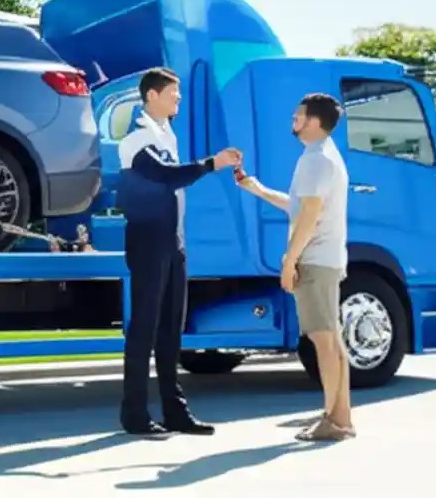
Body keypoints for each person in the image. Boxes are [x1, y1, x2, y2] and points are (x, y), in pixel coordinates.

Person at [116, 66, 241, 436]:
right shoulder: (136, 139)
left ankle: (175, 412)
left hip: (173, 242)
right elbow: (166, 176)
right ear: (151, 95)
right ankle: (135, 413)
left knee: (171, 330)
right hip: (148, 242)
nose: (178, 99)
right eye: (173, 93)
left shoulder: (166, 134)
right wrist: (212, 164)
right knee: (144, 328)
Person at [235, 92, 354, 441]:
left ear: (314, 122)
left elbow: (310, 215)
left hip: (315, 260)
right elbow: (300, 206)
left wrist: (290, 260)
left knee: (324, 341)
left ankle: (334, 420)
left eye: (298, 116)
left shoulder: (316, 160)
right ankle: (341, 418)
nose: (293, 120)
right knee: (331, 340)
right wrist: (258, 189)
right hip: (326, 259)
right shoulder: (323, 156)